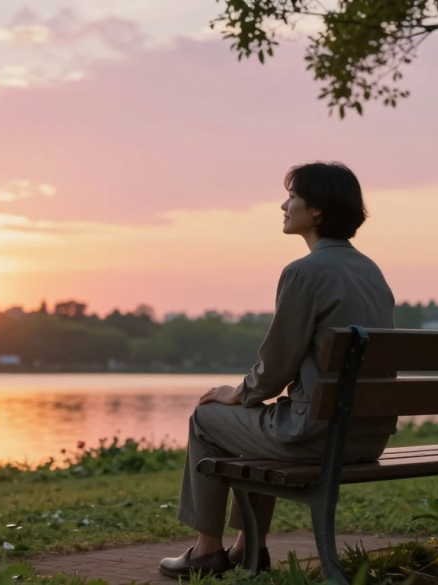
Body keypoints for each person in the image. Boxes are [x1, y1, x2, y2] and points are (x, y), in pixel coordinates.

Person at [159, 161, 398, 579]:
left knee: (206, 418)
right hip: (368, 437)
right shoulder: (371, 271)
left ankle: (206, 549)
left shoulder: (304, 272)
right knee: (256, 420)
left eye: (292, 197)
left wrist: (237, 392)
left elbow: (276, 366)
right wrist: (253, 396)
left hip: (317, 437)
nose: (283, 205)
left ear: (317, 211)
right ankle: (247, 545)